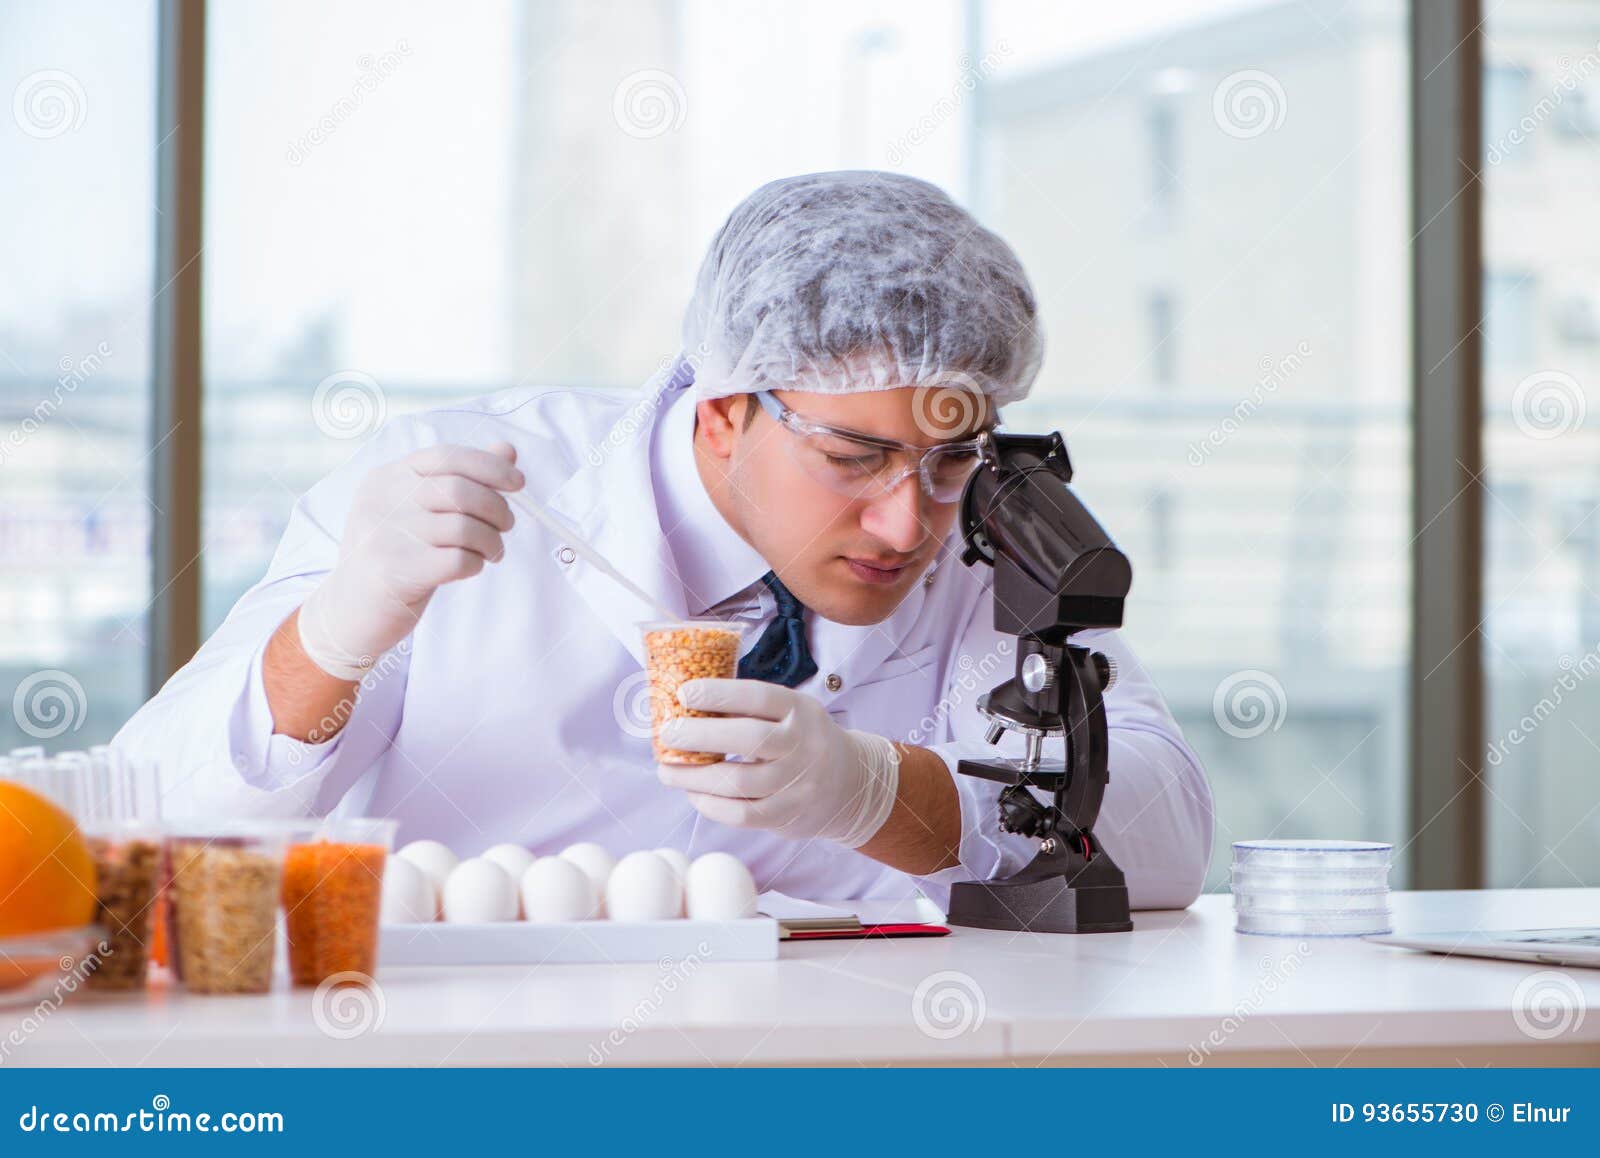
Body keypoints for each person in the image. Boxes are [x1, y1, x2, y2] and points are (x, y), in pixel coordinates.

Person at [114, 171, 1213, 907]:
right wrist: (336, 637)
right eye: (855, 457)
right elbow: (149, 827)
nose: (906, 521)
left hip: (838, 1073)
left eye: (950, 455)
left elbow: (1165, 841)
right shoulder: (462, 484)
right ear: (724, 412)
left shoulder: (972, 542)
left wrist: (885, 793)